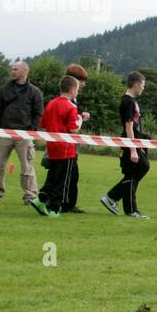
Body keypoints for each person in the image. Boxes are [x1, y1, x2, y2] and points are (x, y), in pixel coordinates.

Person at [0, 60, 44, 209]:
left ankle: (30, 196)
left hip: (24, 134)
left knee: (27, 167)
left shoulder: (34, 91)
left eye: (15, 69)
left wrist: (31, 130)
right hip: (4, 133)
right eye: (12, 69)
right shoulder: (5, 88)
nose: (12, 72)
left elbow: (38, 113)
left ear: (25, 71)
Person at [99, 72, 151, 219]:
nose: (143, 88)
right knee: (140, 169)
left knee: (135, 172)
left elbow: (134, 127)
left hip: (133, 141)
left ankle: (116, 201)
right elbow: (128, 127)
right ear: (135, 84)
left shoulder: (132, 101)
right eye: (142, 85)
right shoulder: (128, 102)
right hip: (129, 143)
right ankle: (120, 203)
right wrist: (133, 149)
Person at [37, 75, 82, 214]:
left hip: (52, 146)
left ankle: (43, 196)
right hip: (66, 148)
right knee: (64, 179)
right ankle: (55, 207)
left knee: (53, 174)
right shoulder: (71, 106)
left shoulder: (51, 103)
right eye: (78, 89)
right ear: (73, 89)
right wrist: (80, 121)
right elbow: (73, 128)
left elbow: (43, 124)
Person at [58, 64, 92, 213]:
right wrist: (80, 119)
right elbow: (71, 125)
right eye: (81, 81)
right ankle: (65, 204)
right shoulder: (67, 101)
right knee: (68, 175)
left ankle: (68, 203)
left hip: (69, 144)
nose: (83, 85)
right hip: (65, 145)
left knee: (71, 174)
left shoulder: (72, 100)